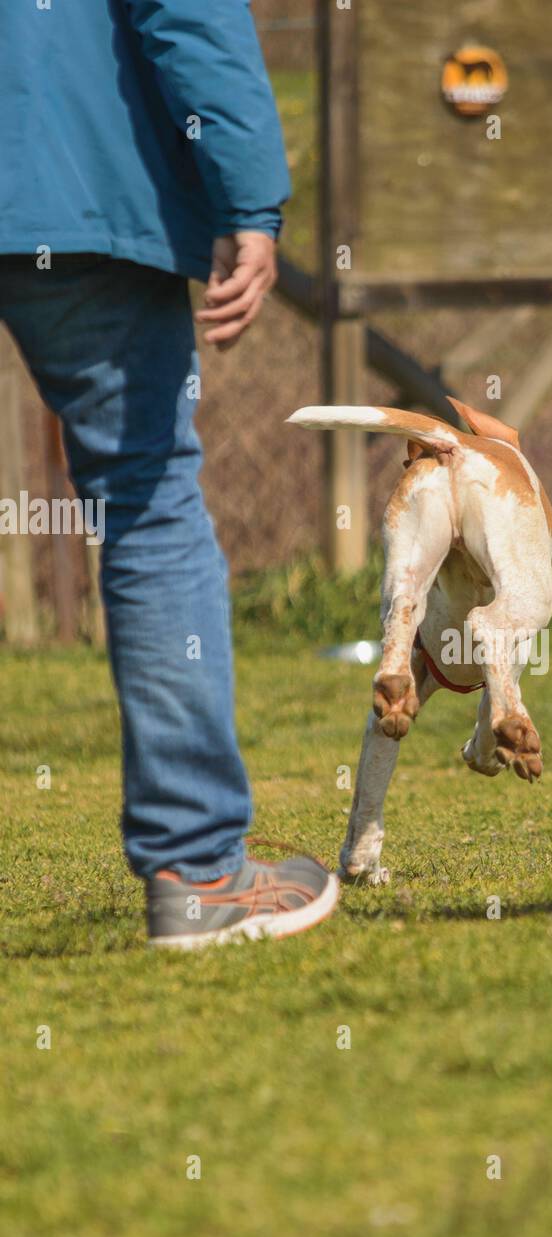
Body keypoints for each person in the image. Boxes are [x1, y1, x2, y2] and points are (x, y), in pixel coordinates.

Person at [0, 2, 339, 946]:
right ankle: (196, 870)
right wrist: (247, 199)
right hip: (65, 187)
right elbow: (188, 15)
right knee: (145, 502)